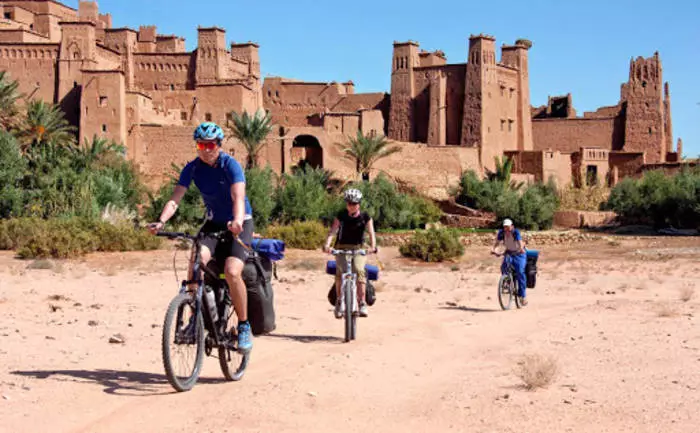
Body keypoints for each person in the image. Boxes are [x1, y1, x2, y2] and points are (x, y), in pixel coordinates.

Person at [148, 121, 254, 353]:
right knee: (197, 261)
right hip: (214, 223)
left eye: (210, 145)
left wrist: (237, 221)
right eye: (201, 145)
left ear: (219, 144)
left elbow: (238, 197)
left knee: (233, 271)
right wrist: (161, 220)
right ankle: (196, 318)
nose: (206, 150)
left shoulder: (230, 165)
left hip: (240, 222)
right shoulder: (193, 168)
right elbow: (176, 198)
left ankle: (244, 326)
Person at [323, 188, 377, 318]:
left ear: (359, 203)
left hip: (358, 248)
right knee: (340, 271)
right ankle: (339, 300)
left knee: (359, 269)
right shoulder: (341, 215)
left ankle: (362, 302)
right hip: (342, 247)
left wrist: (373, 247)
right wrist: (327, 245)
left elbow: (371, 233)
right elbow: (333, 231)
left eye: (354, 203)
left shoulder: (365, 217)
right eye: (349, 203)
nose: (351, 206)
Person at [491, 218, 528, 306]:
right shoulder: (501, 233)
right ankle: (507, 282)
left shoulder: (516, 232)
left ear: (512, 226)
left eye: (508, 227)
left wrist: (521, 249)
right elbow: (497, 242)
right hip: (509, 253)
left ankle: (522, 296)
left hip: (519, 254)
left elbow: (520, 242)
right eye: (505, 227)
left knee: (520, 272)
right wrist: (494, 249)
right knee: (504, 266)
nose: (506, 229)